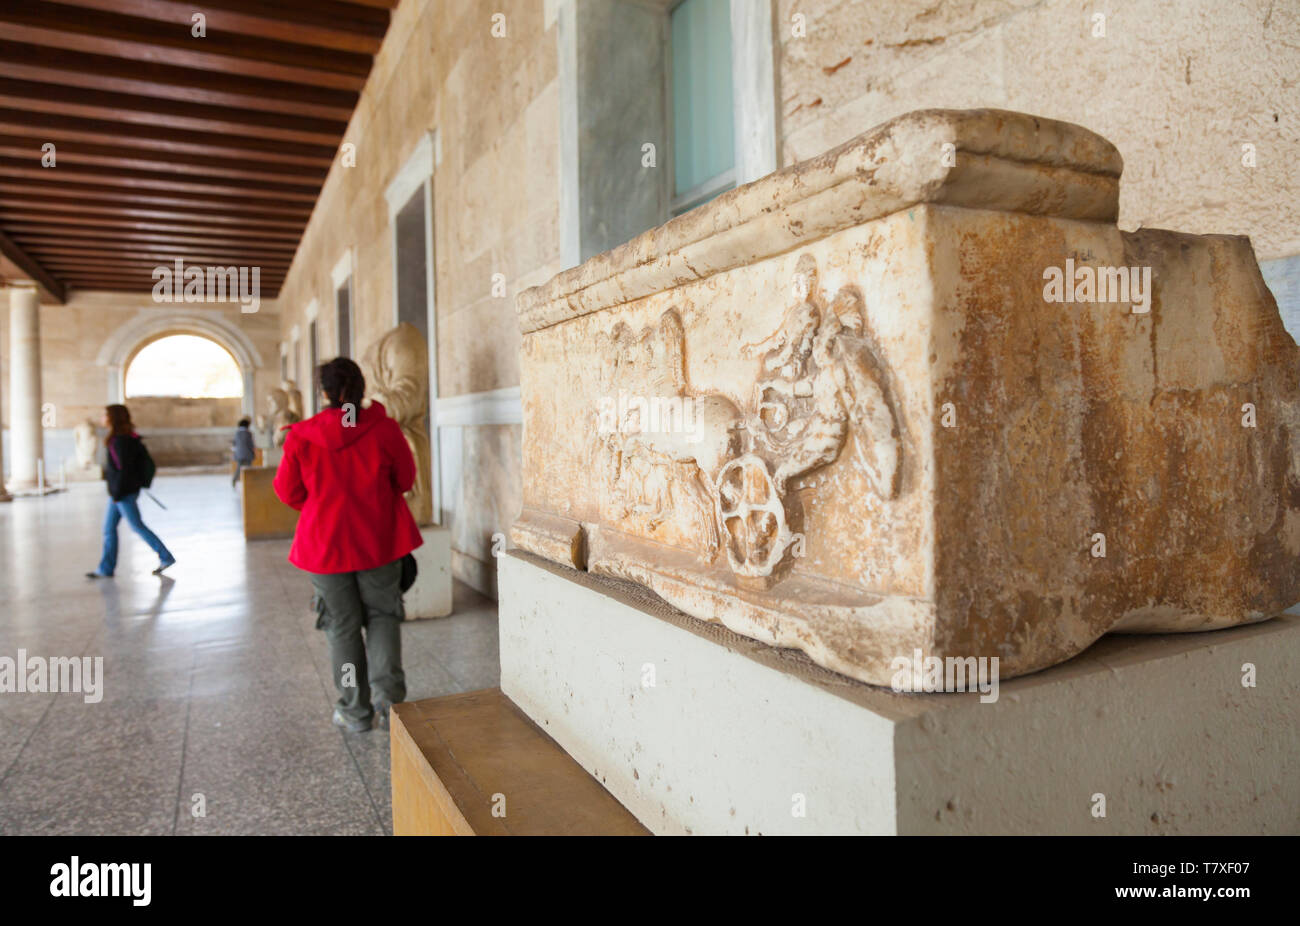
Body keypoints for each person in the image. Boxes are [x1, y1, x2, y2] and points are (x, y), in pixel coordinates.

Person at [273, 358, 422, 733]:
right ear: (360, 387)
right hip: (379, 540)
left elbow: (288, 491)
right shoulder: (383, 428)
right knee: (383, 618)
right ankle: (391, 708)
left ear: (323, 392)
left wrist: (321, 507)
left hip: (325, 546)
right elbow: (404, 478)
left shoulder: (301, 435)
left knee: (341, 627)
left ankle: (355, 711)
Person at [86, 404, 176, 579]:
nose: (102, 418)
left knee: (137, 526)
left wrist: (117, 494)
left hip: (123, 492)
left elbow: (124, 470)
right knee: (109, 529)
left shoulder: (120, 440)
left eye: (105, 415)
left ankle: (166, 556)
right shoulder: (123, 437)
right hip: (120, 492)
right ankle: (106, 569)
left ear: (113, 417)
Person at [231, 417, 256, 488]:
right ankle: (249, 482)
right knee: (248, 468)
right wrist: (253, 452)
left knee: (239, 468)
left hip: (239, 454)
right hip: (247, 454)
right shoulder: (248, 433)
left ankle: (234, 480)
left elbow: (234, 444)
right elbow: (251, 444)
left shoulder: (237, 433)